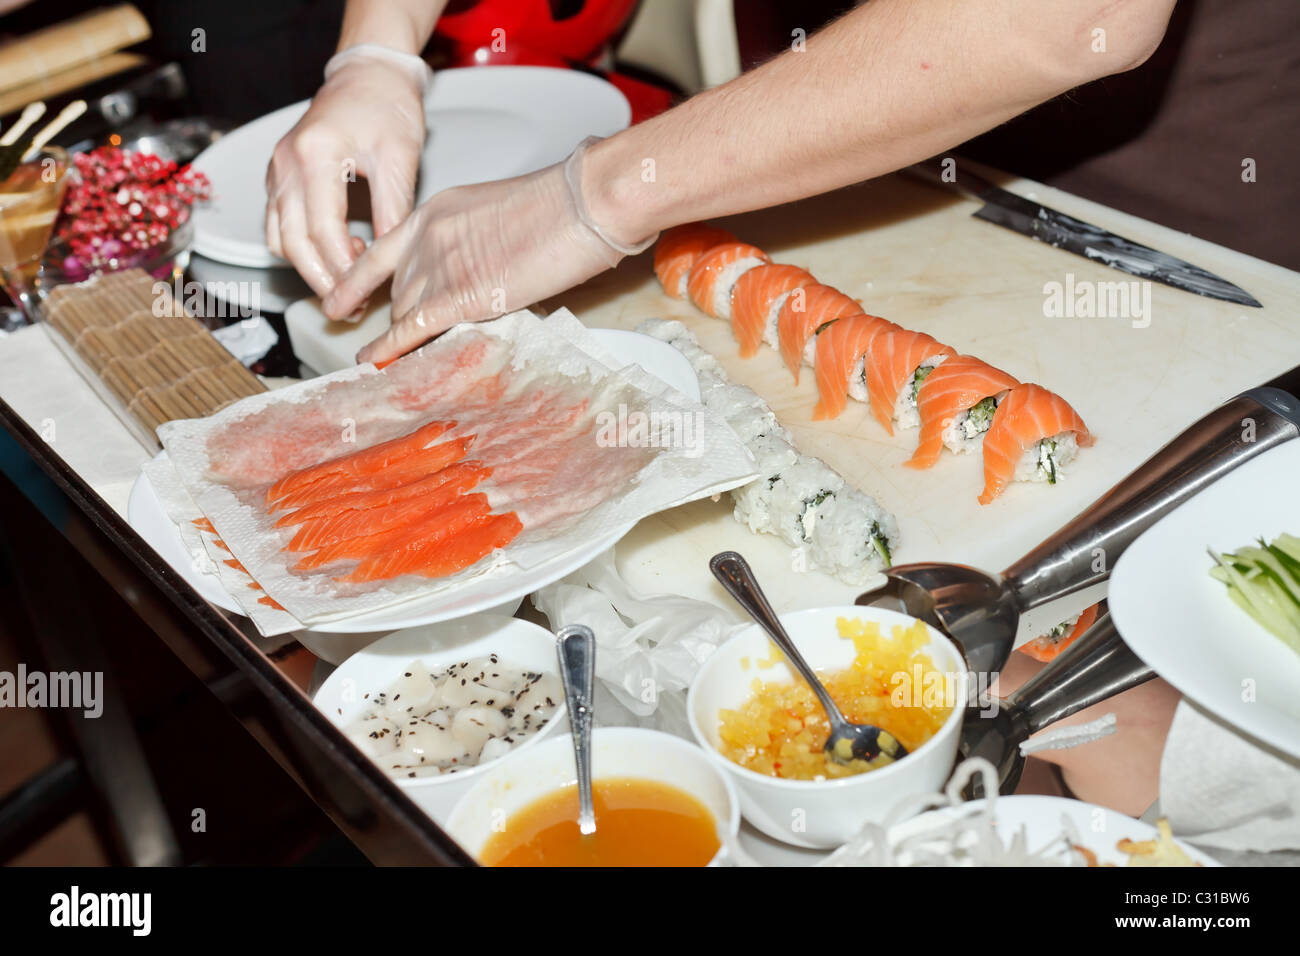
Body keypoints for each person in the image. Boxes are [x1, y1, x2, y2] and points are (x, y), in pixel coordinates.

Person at [266, 0, 1177, 364]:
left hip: (1139, 199)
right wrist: (380, 49)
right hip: (791, 112)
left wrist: (596, 196)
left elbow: (1078, 15)